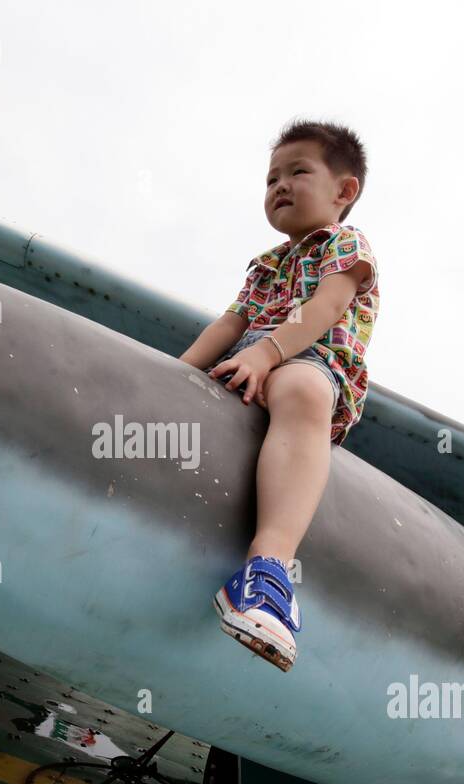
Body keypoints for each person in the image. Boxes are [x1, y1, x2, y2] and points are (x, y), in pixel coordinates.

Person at [179, 119, 379, 672]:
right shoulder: (266, 263)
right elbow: (228, 323)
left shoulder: (346, 244)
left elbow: (324, 311)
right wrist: (176, 372)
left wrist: (269, 355)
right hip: (247, 356)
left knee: (300, 389)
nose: (280, 186)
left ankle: (267, 570)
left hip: (311, 360)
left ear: (344, 191)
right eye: (271, 179)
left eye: (298, 172)